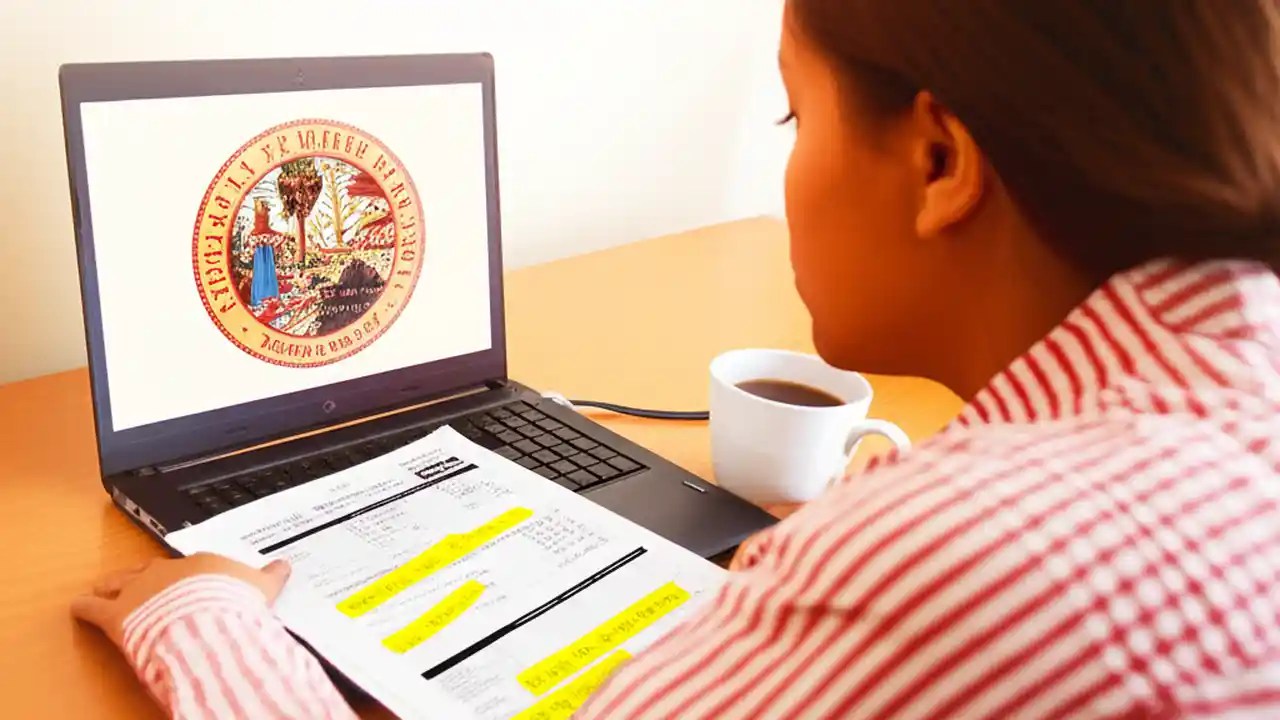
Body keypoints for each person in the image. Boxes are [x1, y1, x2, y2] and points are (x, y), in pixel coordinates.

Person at [73, 2, 1280, 717]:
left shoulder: (973, 559)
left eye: (792, 117)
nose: (786, 164)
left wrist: (207, 622)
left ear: (937, 165)